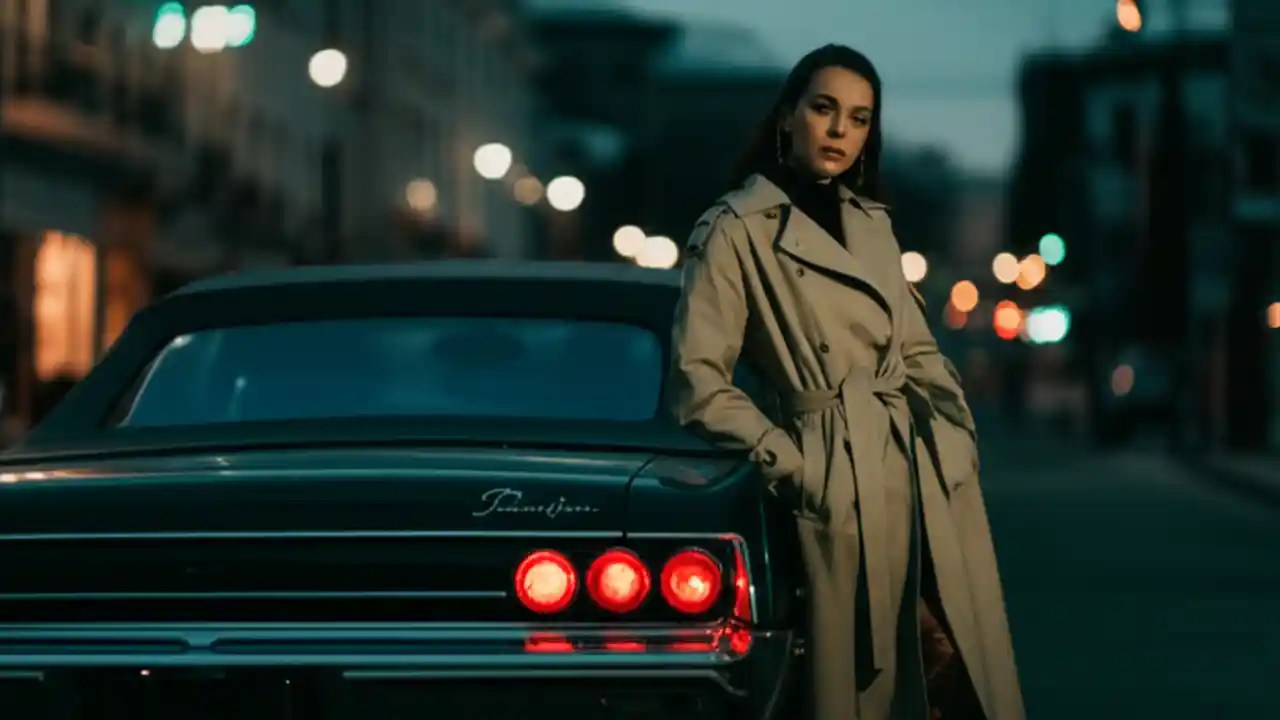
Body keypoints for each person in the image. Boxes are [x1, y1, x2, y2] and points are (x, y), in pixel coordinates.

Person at [666, 44, 1025, 720]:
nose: (839, 131)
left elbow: (919, 353)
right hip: (833, 475)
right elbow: (697, 381)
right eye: (824, 109)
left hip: (921, 474)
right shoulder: (736, 229)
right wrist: (796, 464)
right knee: (860, 685)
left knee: (961, 673)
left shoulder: (873, 226)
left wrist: (954, 436)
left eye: (859, 118)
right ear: (787, 117)